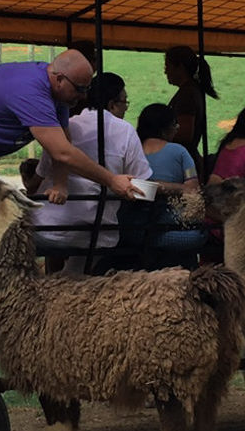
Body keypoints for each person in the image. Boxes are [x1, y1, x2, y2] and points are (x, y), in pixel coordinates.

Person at [0, 48, 137, 198]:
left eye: (86, 89)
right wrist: (112, 180)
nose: (83, 96)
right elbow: (62, 152)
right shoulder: (31, 91)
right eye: (80, 89)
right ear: (59, 79)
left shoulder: (59, 94)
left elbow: (65, 141)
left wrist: (60, 184)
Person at [31, 73, 151, 270]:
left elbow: (42, 174)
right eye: (125, 103)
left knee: (56, 267)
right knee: (81, 270)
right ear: (112, 104)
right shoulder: (125, 131)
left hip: (46, 226)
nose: (125, 108)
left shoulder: (66, 126)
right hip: (93, 232)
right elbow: (141, 185)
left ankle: (55, 279)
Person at [136, 103, 207, 264]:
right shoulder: (180, 151)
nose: (177, 128)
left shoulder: (133, 150)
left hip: (135, 231)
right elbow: (193, 190)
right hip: (173, 231)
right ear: (165, 129)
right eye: (175, 124)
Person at [163, 45, 218, 165]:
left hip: (182, 161)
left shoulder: (187, 94)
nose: (165, 71)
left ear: (180, 67)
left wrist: (157, 135)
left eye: (168, 66)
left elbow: (185, 134)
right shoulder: (191, 90)